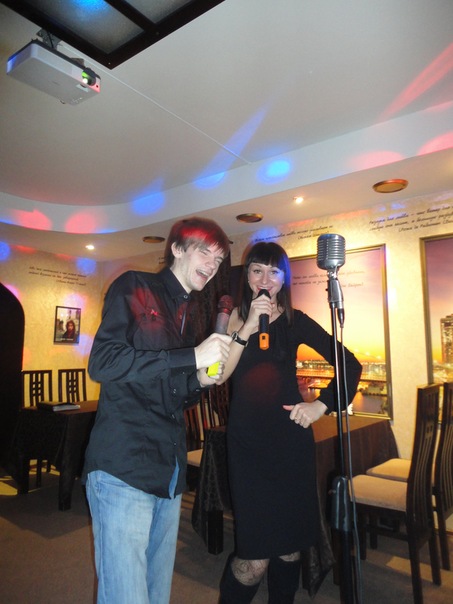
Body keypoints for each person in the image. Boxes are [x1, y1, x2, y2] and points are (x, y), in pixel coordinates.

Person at [82, 217, 231, 604]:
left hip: (169, 475)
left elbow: (173, 395)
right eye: (205, 252)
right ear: (177, 249)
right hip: (124, 468)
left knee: (155, 596)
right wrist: (191, 356)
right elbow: (103, 363)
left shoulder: (190, 314)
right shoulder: (135, 286)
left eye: (218, 259)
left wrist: (199, 380)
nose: (212, 264)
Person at [217, 241, 362, 603]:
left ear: (284, 278)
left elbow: (350, 364)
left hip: (290, 447)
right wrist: (248, 326)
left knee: (289, 551)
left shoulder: (296, 321)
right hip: (248, 449)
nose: (265, 280)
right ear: (247, 276)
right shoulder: (231, 319)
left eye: (274, 272)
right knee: (253, 559)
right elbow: (217, 376)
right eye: (257, 271)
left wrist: (321, 405)